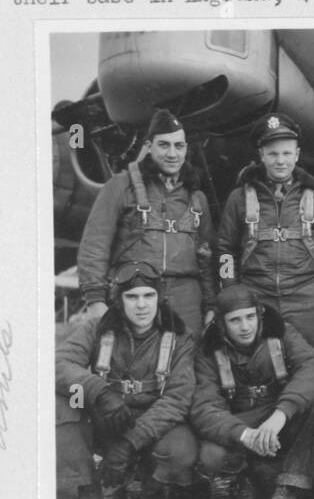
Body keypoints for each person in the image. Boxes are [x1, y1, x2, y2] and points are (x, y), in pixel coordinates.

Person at [55, 278, 198, 499]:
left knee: (181, 449)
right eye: (132, 297)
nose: (141, 305)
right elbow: (59, 365)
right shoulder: (96, 328)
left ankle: (151, 486)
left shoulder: (180, 338)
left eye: (149, 296)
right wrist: (98, 391)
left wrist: (129, 442)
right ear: (119, 301)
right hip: (107, 418)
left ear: (160, 298)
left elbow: (178, 398)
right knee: (64, 403)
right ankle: (89, 495)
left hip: (151, 425)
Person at [75, 109, 215, 334]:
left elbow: (207, 257)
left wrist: (210, 305)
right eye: (164, 145)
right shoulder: (120, 187)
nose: (172, 153)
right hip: (137, 295)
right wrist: (95, 299)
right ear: (149, 146)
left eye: (179, 146)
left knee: (187, 364)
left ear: (186, 149)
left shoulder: (198, 199)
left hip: (187, 299)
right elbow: (94, 244)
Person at [191, 285, 314, 499]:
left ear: (259, 314)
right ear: (221, 324)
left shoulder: (282, 333)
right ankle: (247, 473)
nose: (245, 327)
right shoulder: (208, 350)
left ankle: (289, 485)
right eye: (235, 321)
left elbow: (312, 367)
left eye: (250, 317)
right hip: (241, 424)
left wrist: (281, 413)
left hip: (278, 419)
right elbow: (204, 407)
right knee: (210, 455)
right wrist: (245, 435)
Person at [216, 112, 314, 357]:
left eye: (286, 153)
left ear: (297, 154)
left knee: (311, 362)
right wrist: (232, 289)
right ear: (261, 155)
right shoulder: (239, 198)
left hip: (306, 299)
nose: (280, 161)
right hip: (256, 298)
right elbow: (225, 248)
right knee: (261, 364)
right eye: (273, 154)